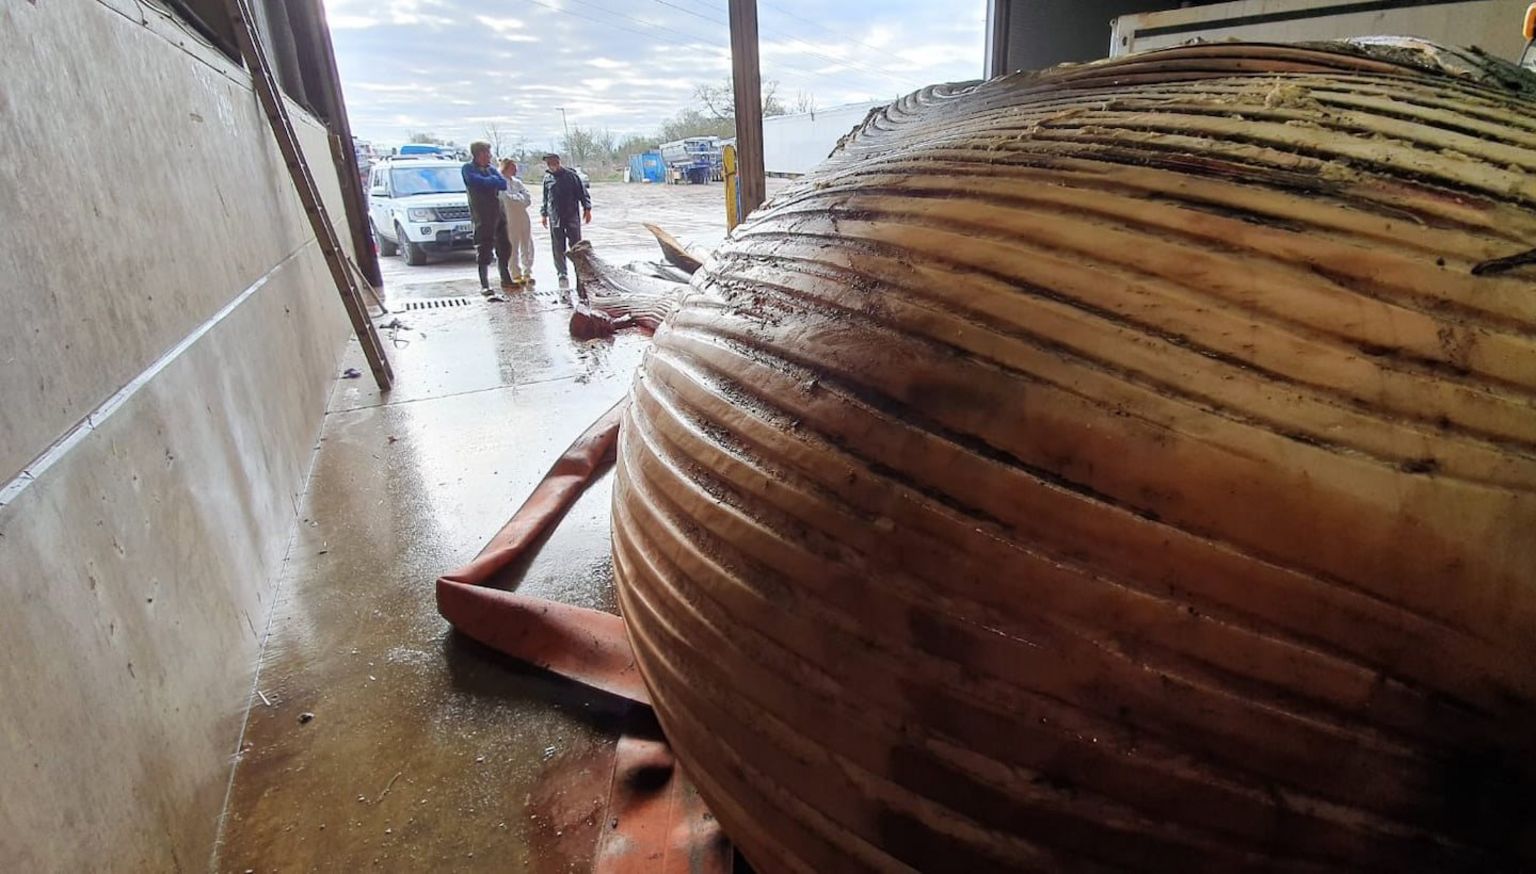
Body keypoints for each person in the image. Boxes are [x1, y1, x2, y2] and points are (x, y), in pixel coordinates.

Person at [462, 141, 514, 295]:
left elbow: (502, 184)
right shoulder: (468, 169)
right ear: (478, 154)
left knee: (505, 246)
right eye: (487, 153)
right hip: (482, 215)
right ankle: (484, 284)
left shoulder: (491, 169)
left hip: (498, 213)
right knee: (484, 248)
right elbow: (475, 181)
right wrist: (491, 182)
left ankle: (505, 277)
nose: (489, 156)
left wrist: (489, 182)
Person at [540, 153, 591, 285]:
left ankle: (580, 269)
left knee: (576, 245)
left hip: (571, 216)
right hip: (555, 217)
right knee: (558, 247)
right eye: (548, 163)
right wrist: (544, 214)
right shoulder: (547, 178)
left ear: (558, 161)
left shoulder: (571, 176)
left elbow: (582, 193)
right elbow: (546, 198)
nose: (551, 165)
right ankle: (561, 272)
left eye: (553, 162)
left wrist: (587, 208)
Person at [498, 159, 536, 286]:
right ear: (506, 167)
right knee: (513, 246)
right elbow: (506, 199)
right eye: (513, 167)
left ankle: (528, 271)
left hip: (523, 217)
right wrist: (518, 198)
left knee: (527, 243)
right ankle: (515, 273)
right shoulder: (500, 182)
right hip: (509, 218)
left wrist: (518, 198)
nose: (515, 170)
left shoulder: (517, 182)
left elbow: (527, 199)